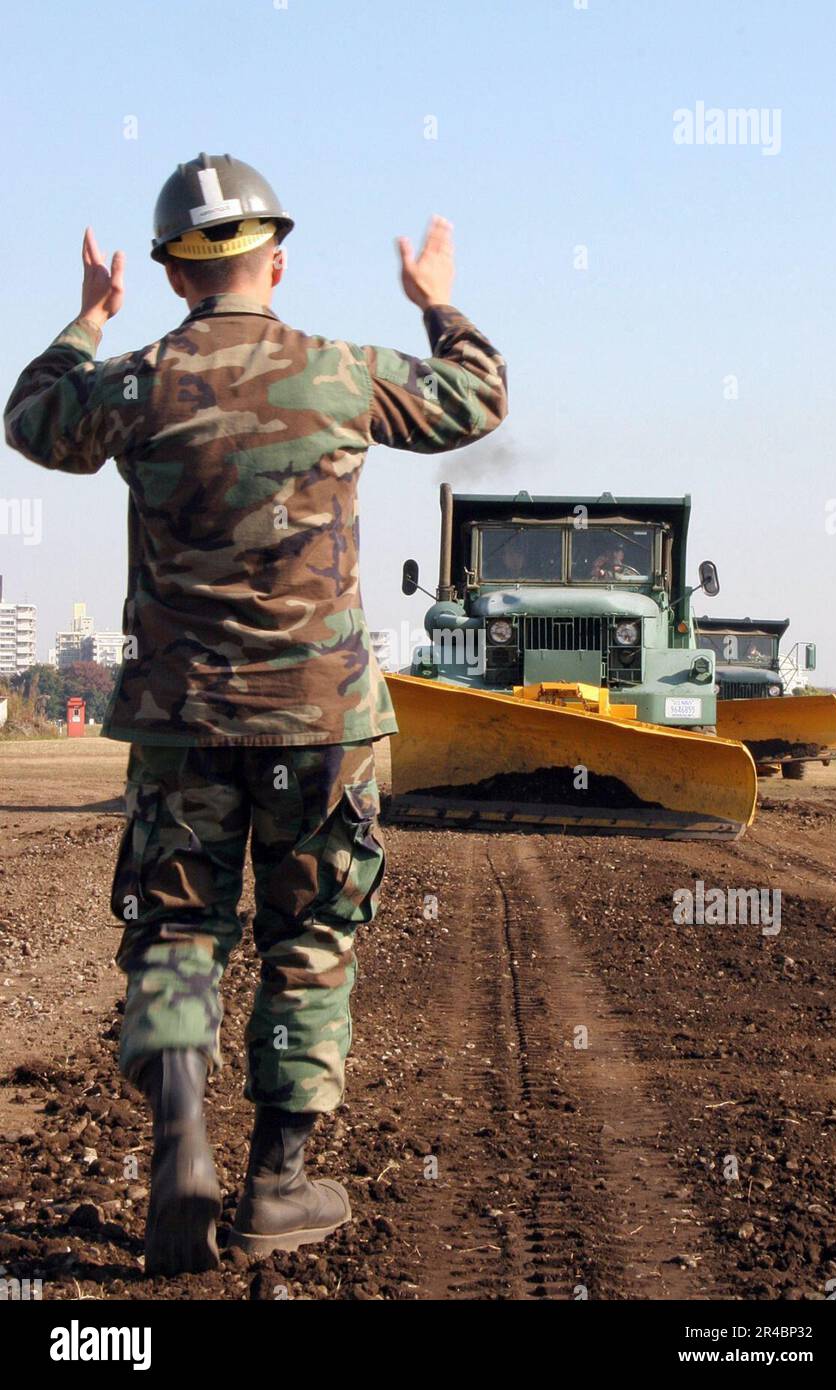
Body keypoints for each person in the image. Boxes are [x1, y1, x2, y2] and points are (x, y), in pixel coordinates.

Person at [4, 153, 508, 1275]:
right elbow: (477, 396)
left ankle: (180, 1125)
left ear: (177, 277)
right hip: (323, 727)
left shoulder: (135, 384)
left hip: (182, 726)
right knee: (310, 938)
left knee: (179, 932)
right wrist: (434, 302)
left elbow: (31, 416)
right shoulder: (335, 371)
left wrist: (90, 317)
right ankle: (275, 1183)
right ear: (274, 261)